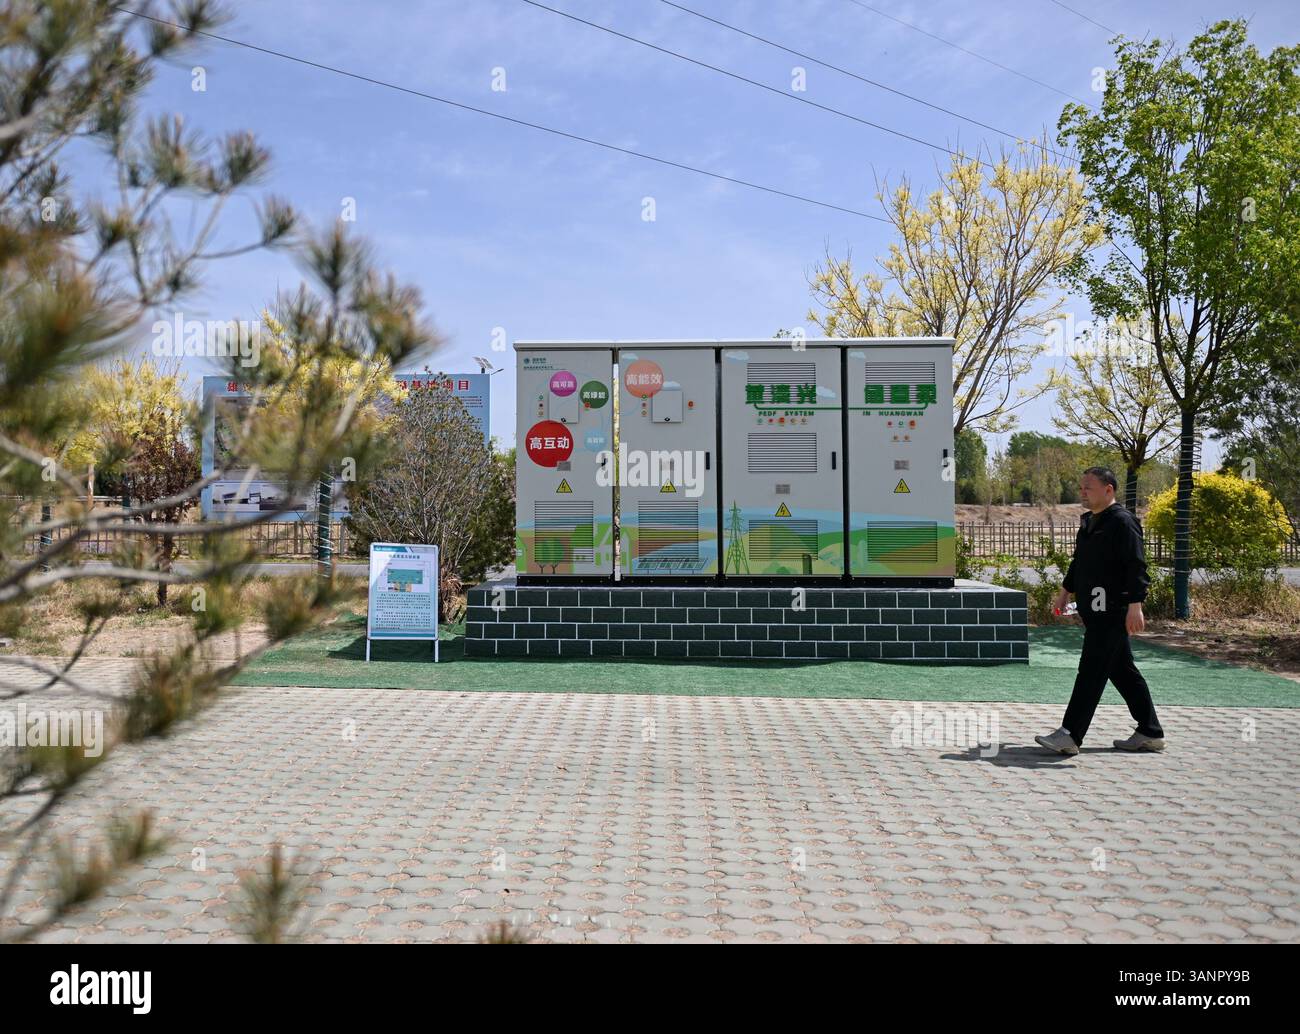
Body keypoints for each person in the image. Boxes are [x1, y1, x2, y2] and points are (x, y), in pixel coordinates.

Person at [1035, 466, 1166, 757]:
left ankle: (1070, 735)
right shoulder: (1090, 522)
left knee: (1091, 670)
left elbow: (1136, 565)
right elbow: (1079, 562)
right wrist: (1065, 592)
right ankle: (1150, 731)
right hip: (1094, 610)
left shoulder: (1123, 522)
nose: (1083, 492)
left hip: (1114, 610)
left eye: (1088, 487)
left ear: (1108, 490)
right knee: (1122, 671)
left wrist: (1135, 605)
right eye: (1081, 487)